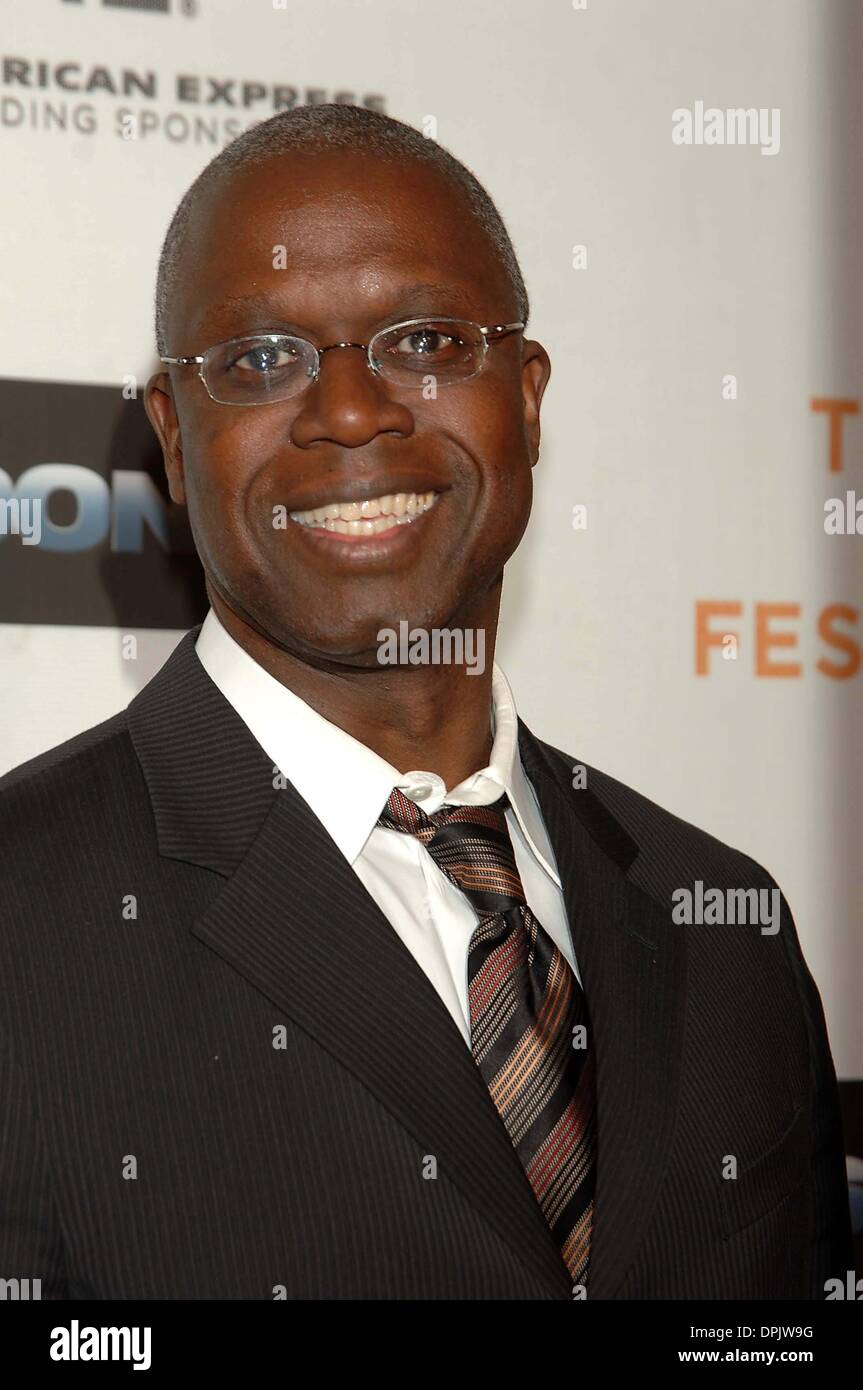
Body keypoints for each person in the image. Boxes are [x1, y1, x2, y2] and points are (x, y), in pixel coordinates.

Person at [0, 104, 852, 1300]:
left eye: (427, 342)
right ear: (173, 441)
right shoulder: (21, 924)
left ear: (528, 394)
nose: (350, 411)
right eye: (258, 360)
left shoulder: (728, 933)